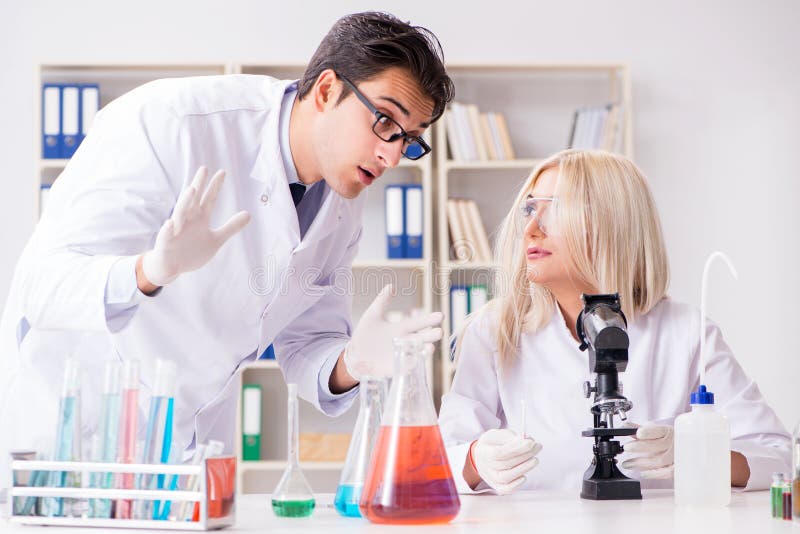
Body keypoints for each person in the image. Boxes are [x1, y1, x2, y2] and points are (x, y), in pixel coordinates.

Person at [0, 11, 454, 487]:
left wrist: (352, 364)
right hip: (74, 432)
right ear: (325, 90)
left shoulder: (341, 203)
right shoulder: (170, 122)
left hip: (188, 451)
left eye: (410, 140)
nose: (392, 155)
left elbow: (305, 344)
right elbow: (42, 285)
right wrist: (149, 271)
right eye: (385, 121)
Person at [439, 149, 791, 494]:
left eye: (555, 211)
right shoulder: (495, 331)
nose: (531, 228)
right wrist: (475, 460)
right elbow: (439, 464)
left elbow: (778, 459)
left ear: (614, 223)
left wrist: (696, 453)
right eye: (530, 209)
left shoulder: (686, 332)